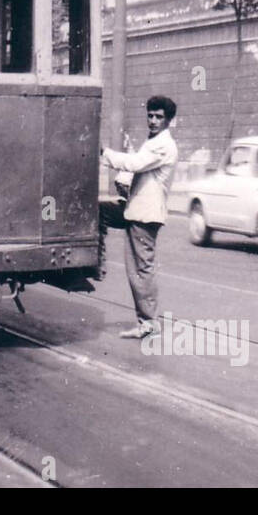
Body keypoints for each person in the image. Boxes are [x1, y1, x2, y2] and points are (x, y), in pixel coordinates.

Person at [101, 95, 179, 339]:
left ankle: (148, 323)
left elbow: (135, 164)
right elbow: (140, 172)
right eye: (150, 115)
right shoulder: (153, 141)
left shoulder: (163, 144)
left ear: (169, 121)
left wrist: (104, 152)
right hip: (135, 209)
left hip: (145, 216)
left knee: (140, 269)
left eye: (159, 117)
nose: (153, 121)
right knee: (99, 211)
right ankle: (96, 260)